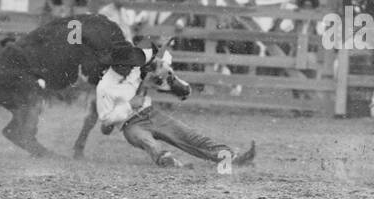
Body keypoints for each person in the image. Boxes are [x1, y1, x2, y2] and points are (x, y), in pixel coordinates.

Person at [96, 43, 255, 168]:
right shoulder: (104, 88)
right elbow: (105, 126)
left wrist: (162, 67)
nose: (131, 66)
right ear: (115, 65)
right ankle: (167, 161)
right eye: (127, 64)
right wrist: (128, 106)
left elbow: (162, 57)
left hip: (150, 113)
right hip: (130, 125)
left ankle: (229, 156)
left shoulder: (134, 67)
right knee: (149, 142)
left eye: (132, 62)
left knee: (188, 135)